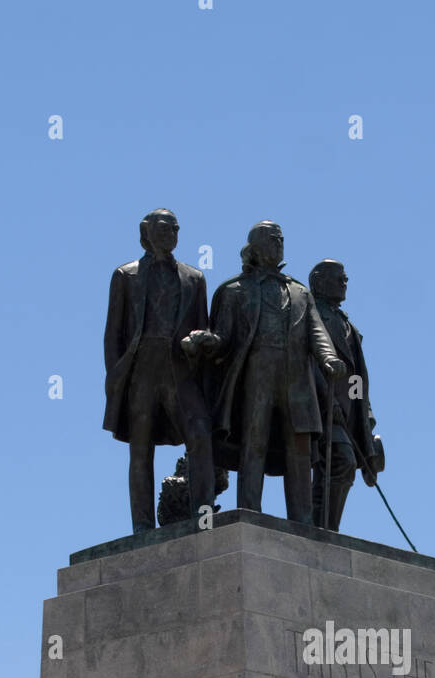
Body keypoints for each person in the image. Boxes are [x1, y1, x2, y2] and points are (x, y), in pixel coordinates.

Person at [203, 222, 344, 523]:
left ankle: (302, 520)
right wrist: (207, 341)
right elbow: (223, 338)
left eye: (280, 238)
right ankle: (250, 511)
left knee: (299, 449)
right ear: (254, 249)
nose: (278, 242)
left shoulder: (300, 292)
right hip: (256, 374)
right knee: (254, 443)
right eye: (271, 239)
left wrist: (329, 359)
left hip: (296, 378)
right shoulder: (234, 291)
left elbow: (317, 333)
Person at [103, 209, 216, 533]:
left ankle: (203, 518)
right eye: (166, 228)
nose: (172, 233)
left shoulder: (194, 278)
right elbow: (113, 334)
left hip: (180, 367)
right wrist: (115, 377)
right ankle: (142, 526)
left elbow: (202, 325)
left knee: (200, 436)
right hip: (141, 368)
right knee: (141, 448)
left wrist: (202, 340)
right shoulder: (125, 275)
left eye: (176, 228)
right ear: (147, 231)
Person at [308, 260, 384, 532]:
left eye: (346, 278)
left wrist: (367, 415)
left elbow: (358, 376)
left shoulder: (347, 324)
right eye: (338, 278)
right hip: (319, 405)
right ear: (317, 281)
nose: (345, 283)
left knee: (340, 468)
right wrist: (326, 399)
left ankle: (326, 528)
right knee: (340, 461)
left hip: (349, 411)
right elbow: (308, 360)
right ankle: (322, 528)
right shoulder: (310, 313)